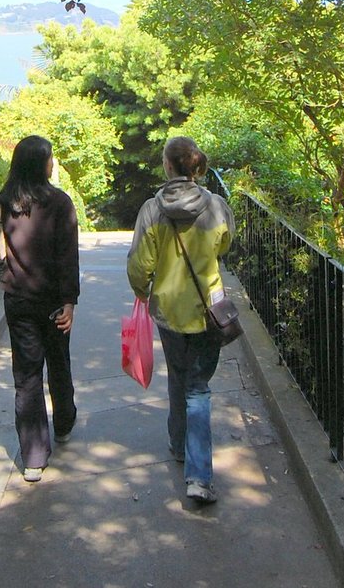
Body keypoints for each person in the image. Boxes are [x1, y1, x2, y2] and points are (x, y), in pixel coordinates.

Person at [126, 135, 234, 504]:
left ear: (168, 166)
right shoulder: (217, 205)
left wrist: (143, 291)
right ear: (195, 167)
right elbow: (225, 244)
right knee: (199, 387)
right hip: (208, 310)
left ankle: (178, 445)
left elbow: (140, 264)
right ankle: (200, 478)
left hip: (169, 310)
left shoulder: (152, 210)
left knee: (179, 376)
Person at [0, 135, 79, 482]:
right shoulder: (60, 203)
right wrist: (69, 302)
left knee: (27, 377)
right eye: (51, 158)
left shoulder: (4, 202)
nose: (53, 163)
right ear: (41, 163)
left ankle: (34, 457)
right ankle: (63, 424)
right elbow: (68, 257)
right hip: (52, 302)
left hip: (18, 300)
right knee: (59, 363)